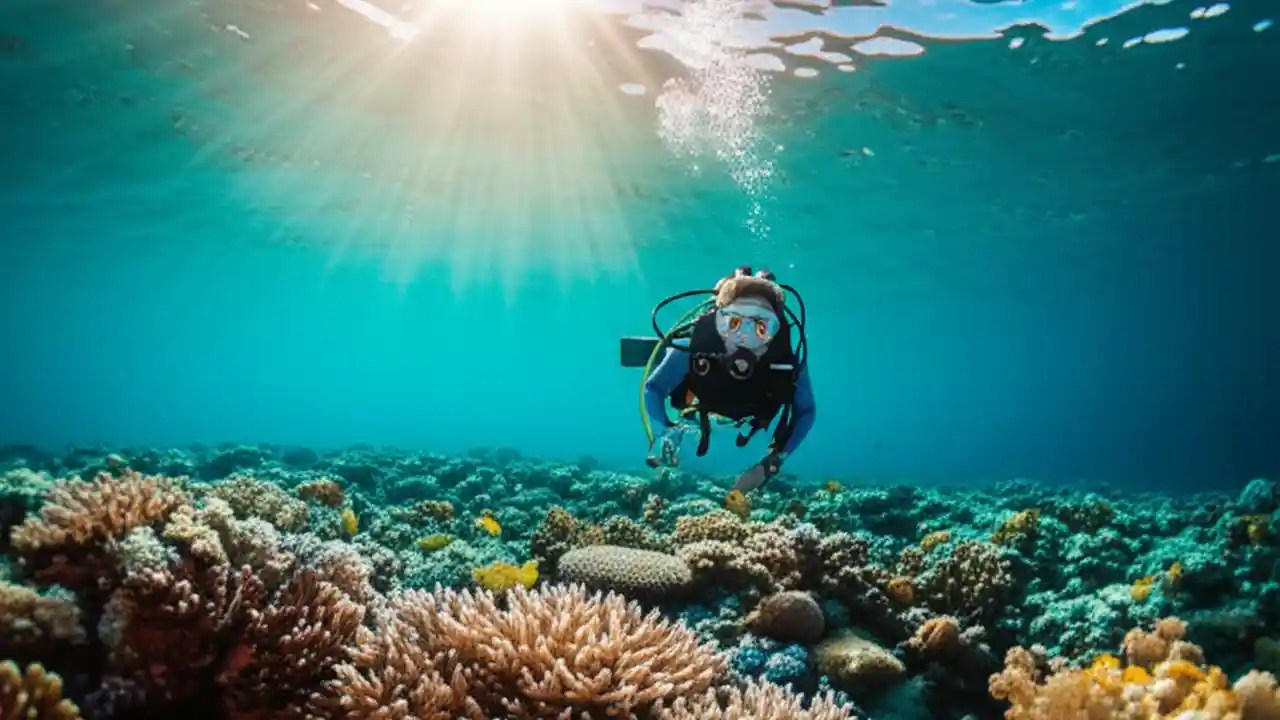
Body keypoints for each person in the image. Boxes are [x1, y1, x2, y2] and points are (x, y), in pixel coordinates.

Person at [640, 266, 815, 492]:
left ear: (777, 328)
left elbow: (806, 412)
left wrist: (772, 463)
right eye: (733, 323)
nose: (745, 338)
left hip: (747, 417)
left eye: (761, 327)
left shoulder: (787, 365)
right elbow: (653, 388)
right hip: (696, 406)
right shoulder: (690, 350)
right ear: (717, 323)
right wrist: (665, 432)